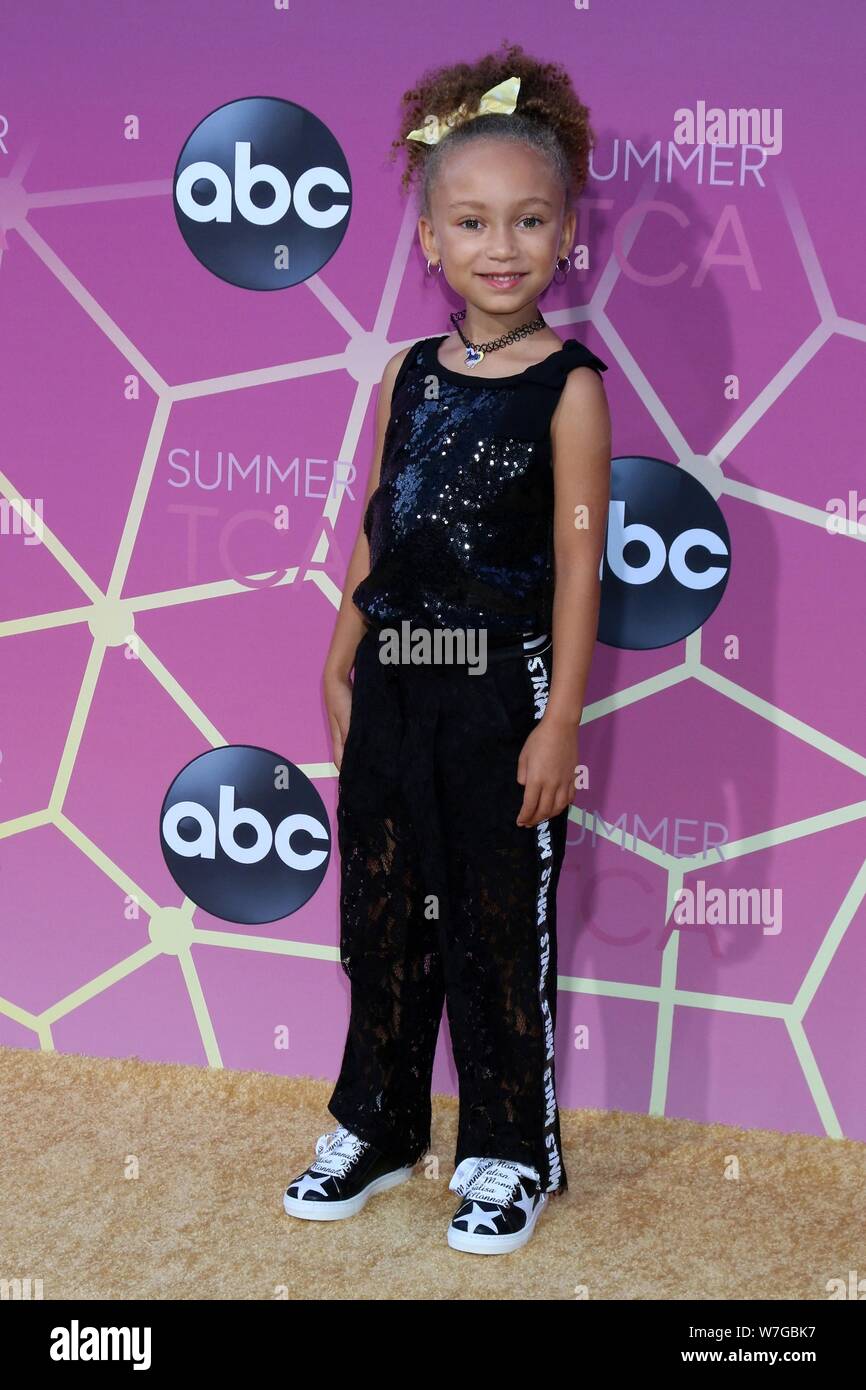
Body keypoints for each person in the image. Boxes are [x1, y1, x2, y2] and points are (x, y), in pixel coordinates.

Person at [283, 40, 611, 1256]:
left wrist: (559, 716)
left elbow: (579, 563)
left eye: (528, 219)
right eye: (470, 221)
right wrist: (337, 648)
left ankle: (507, 1149)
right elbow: (384, 520)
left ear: (566, 230)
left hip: (495, 695)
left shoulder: (569, 388)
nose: (500, 246)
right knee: (379, 920)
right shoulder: (407, 375)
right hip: (393, 683)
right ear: (428, 240)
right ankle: (376, 1121)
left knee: (489, 925)